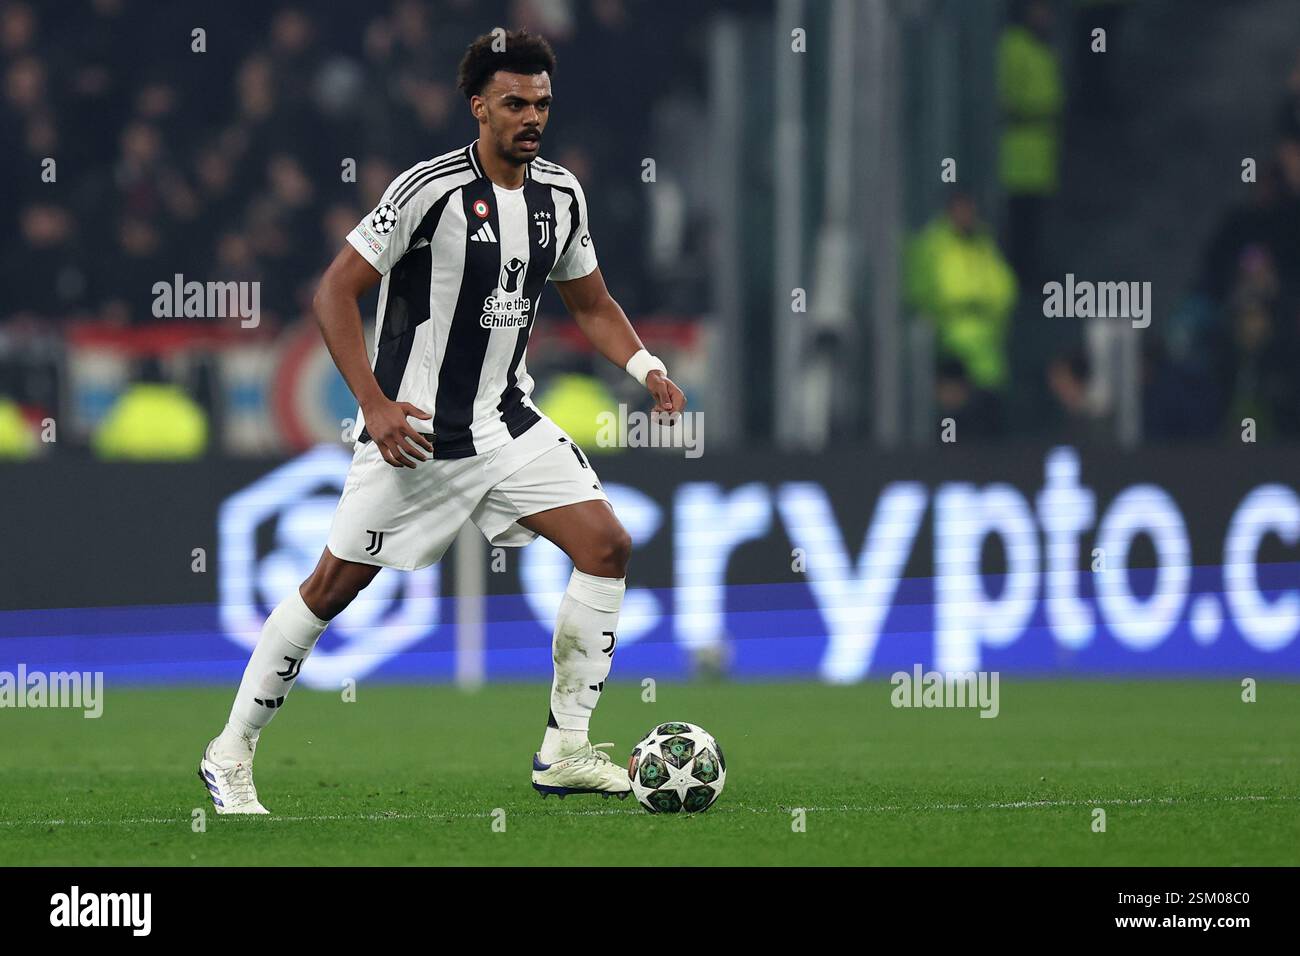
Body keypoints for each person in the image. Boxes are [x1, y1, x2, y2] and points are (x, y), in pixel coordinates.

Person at [199, 29, 686, 814]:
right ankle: (229, 752)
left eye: (543, 104)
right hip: (417, 435)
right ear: (479, 107)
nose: (532, 117)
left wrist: (645, 367)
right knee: (329, 589)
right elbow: (333, 292)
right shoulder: (429, 191)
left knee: (607, 544)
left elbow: (591, 303)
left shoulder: (561, 195)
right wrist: (375, 407)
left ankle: (565, 749)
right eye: (515, 104)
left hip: (505, 422)